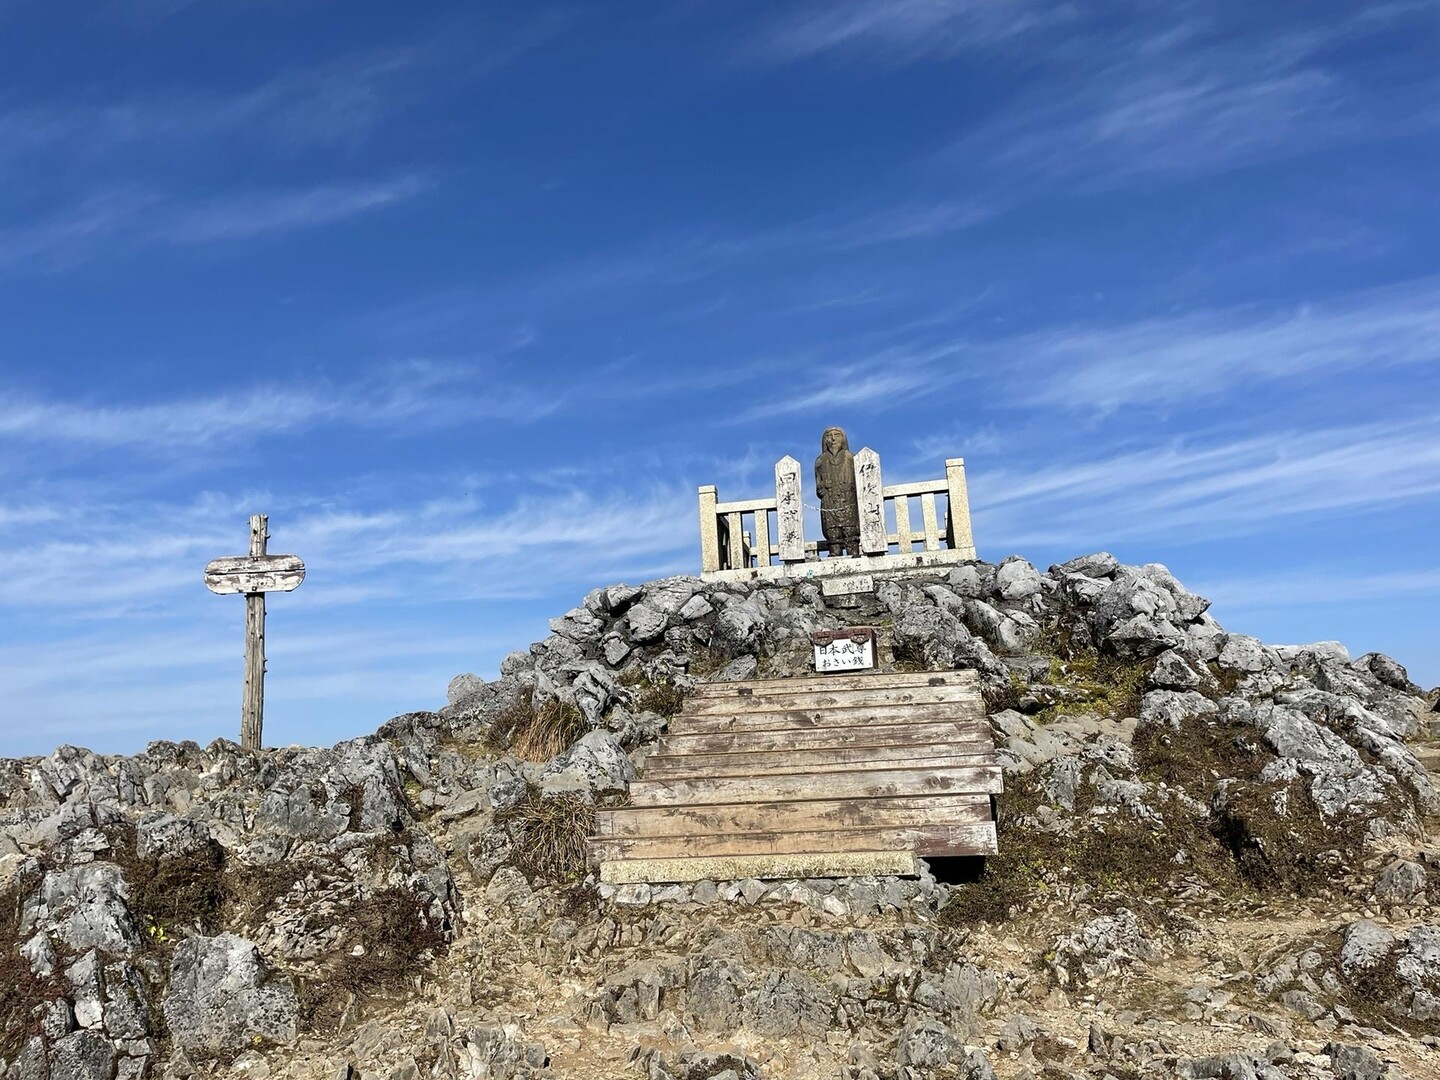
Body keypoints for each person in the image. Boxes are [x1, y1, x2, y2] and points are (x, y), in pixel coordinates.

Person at [814, 426, 860, 556]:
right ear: (825, 440)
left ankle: (854, 553)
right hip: (830, 502)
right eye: (829, 436)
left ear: (843, 438)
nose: (833, 439)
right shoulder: (820, 461)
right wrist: (822, 486)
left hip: (848, 501)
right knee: (833, 534)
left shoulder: (851, 458)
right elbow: (818, 488)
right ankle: (834, 554)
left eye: (837, 435)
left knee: (850, 532)